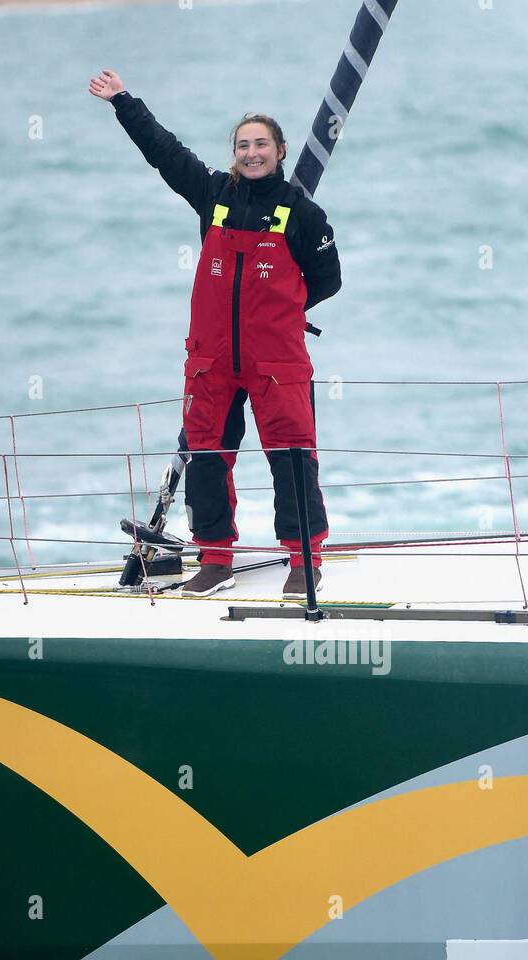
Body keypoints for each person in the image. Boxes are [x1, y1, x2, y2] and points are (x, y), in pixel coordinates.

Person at [89, 69, 341, 596]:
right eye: (244, 144)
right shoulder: (211, 194)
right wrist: (123, 102)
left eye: (261, 144)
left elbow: (328, 280)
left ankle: (303, 560)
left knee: (292, 457)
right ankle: (216, 560)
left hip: (277, 363)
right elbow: (164, 151)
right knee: (205, 456)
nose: (252, 152)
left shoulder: (302, 213)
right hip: (211, 361)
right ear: (235, 152)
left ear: (280, 150)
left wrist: (281, 312)